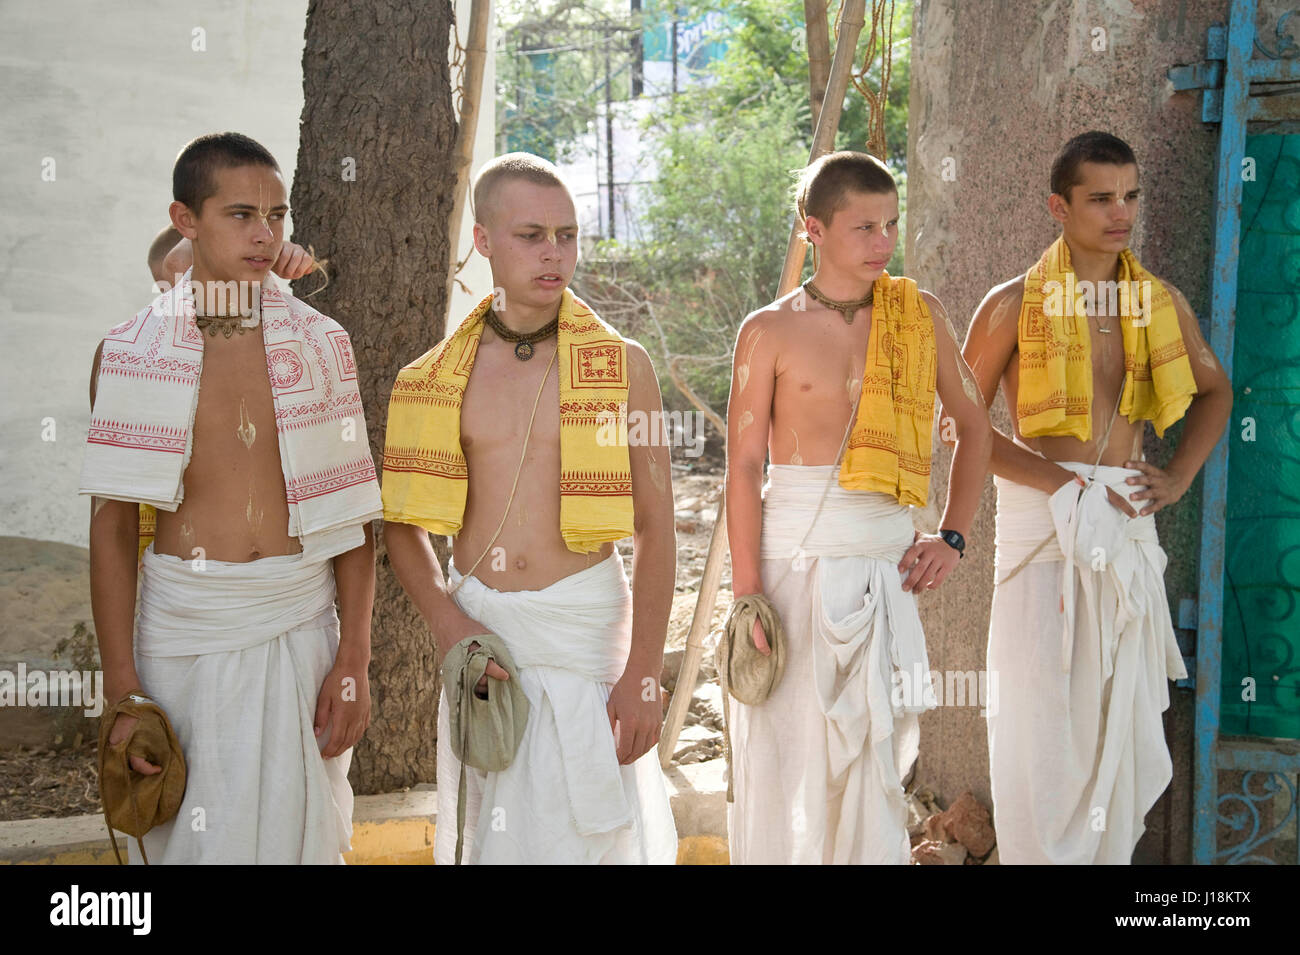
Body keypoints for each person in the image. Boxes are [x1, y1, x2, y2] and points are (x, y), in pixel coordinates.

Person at [81, 132, 383, 864]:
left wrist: (354, 660)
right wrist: (122, 690)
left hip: (297, 624)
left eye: (276, 216)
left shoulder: (321, 345)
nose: (264, 234)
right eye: (241, 214)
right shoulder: (129, 353)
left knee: (301, 839)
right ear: (186, 219)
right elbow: (114, 531)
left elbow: (351, 519)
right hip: (185, 630)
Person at [382, 152, 679, 864]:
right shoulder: (431, 378)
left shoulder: (621, 364)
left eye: (567, 234)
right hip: (490, 643)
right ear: (483, 240)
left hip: (584, 635)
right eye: (531, 235)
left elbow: (656, 525)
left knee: (593, 836)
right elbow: (401, 524)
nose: (554, 252)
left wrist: (644, 672)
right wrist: (452, 625)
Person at [960, 130, 1232, 864]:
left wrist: (1175, 478)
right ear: (1060, 205)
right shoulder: (1011, 304)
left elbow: (1215, 391)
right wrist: (1060, 485)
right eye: (1102, 197)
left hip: (1125, 526)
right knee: (1041, 732)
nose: (1123, 213)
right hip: (1044, 529)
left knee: (1120, 726)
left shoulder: (1156, 301)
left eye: (1132, 195)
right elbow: (957, 424)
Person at [724, 150, 991, 864]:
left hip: (881, 561)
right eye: (864, 227)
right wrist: (746, 592)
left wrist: (953, 536)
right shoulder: (769, 329)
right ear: (813, 228)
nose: (884, 243)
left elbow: (975, 427)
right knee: (787, 757)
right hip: (791, 564)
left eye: (891, 225)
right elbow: (745, 466)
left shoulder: (917, 315)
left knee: (870, 763)